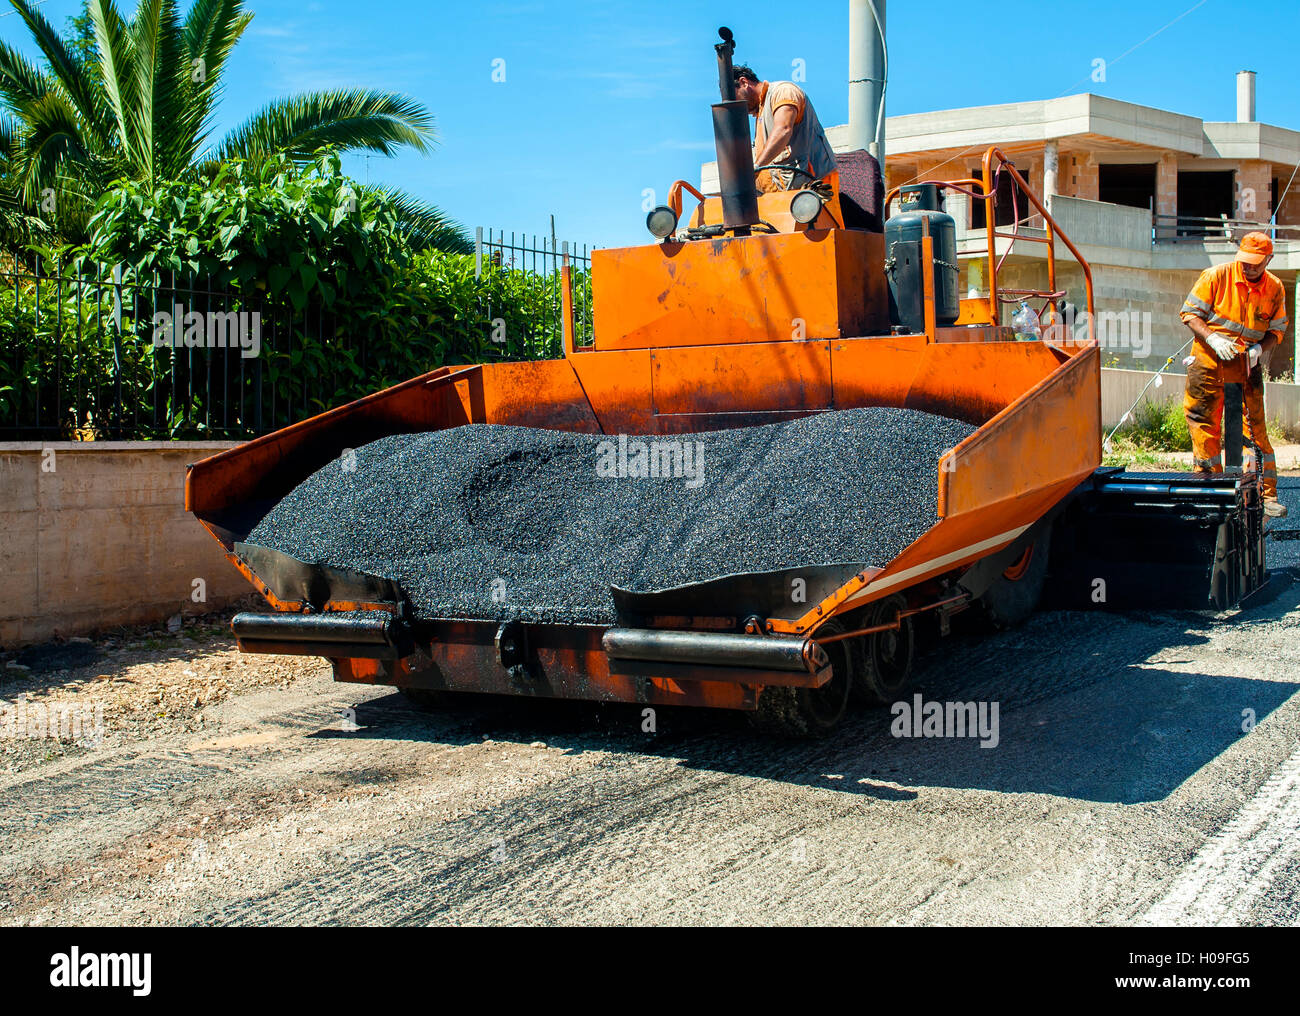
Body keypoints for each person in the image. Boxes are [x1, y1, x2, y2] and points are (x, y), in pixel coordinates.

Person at [1179, 231, 1290, 517]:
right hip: (1208, 361)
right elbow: (1190, 313)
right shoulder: (1215, 276)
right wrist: (1214, 339)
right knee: (1204, 425)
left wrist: (1258, 350)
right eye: (1245, 261)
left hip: (1246, 364)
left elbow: (1277, 330)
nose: (1249, 267)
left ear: (1269, 260)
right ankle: (1209, 491)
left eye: (1256, 262)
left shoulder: (1275, 288)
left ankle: (1265, 495)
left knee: (1254, 428)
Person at [732, 65, 836, 194]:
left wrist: (755, 167)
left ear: (743, 82)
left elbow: (783, 130)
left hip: (814, 191)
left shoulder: (783, 91)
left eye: (733, 97)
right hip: (784, 198)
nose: (735, 105)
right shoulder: (761, 113)